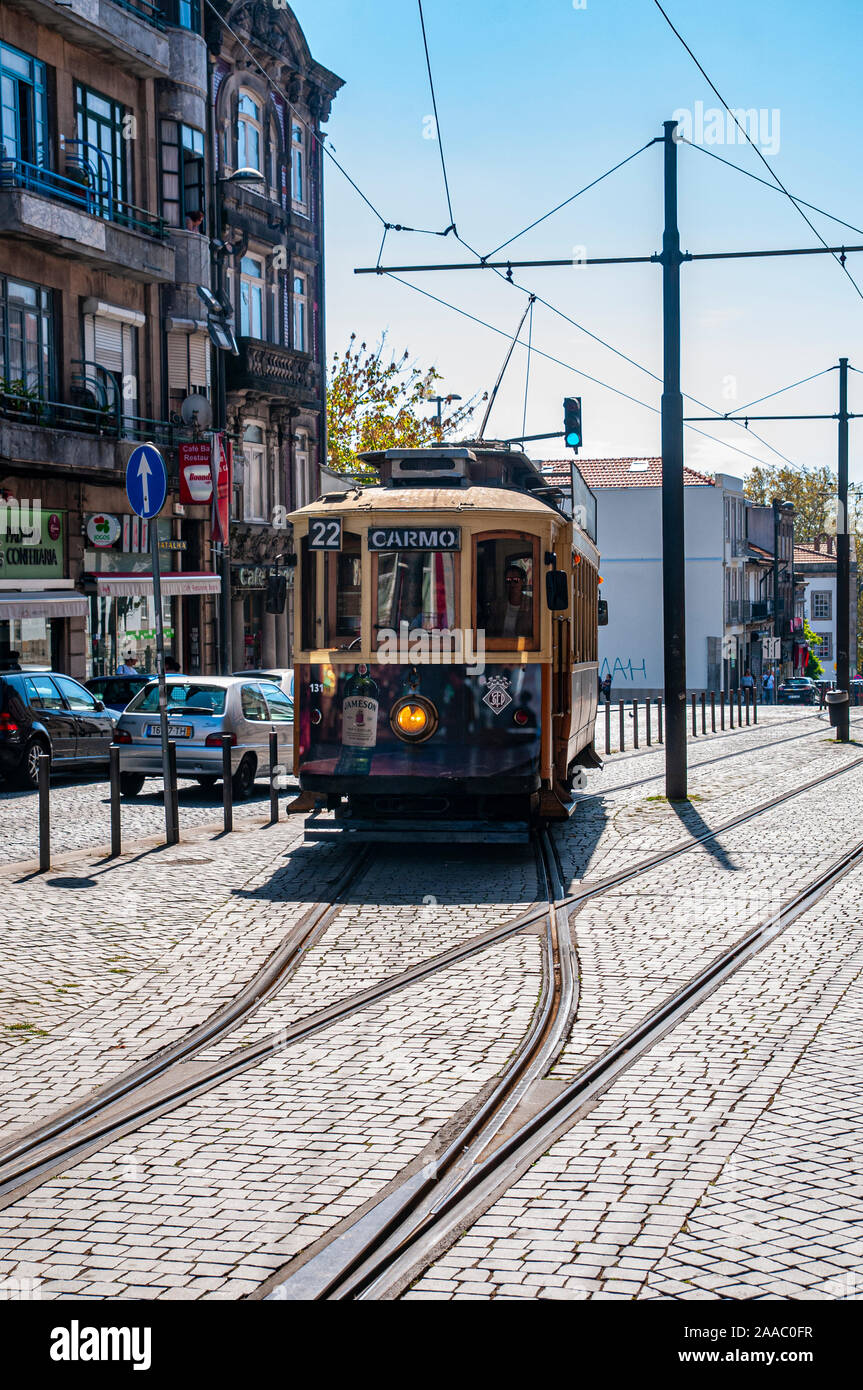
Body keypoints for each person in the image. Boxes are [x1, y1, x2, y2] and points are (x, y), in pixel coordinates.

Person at [486, 564, 533, 640]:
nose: (512, 584)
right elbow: (489, 631)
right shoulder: (497, 604)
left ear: (523, 582)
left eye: (515, 580)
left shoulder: (532, 605)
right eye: (508, 580)